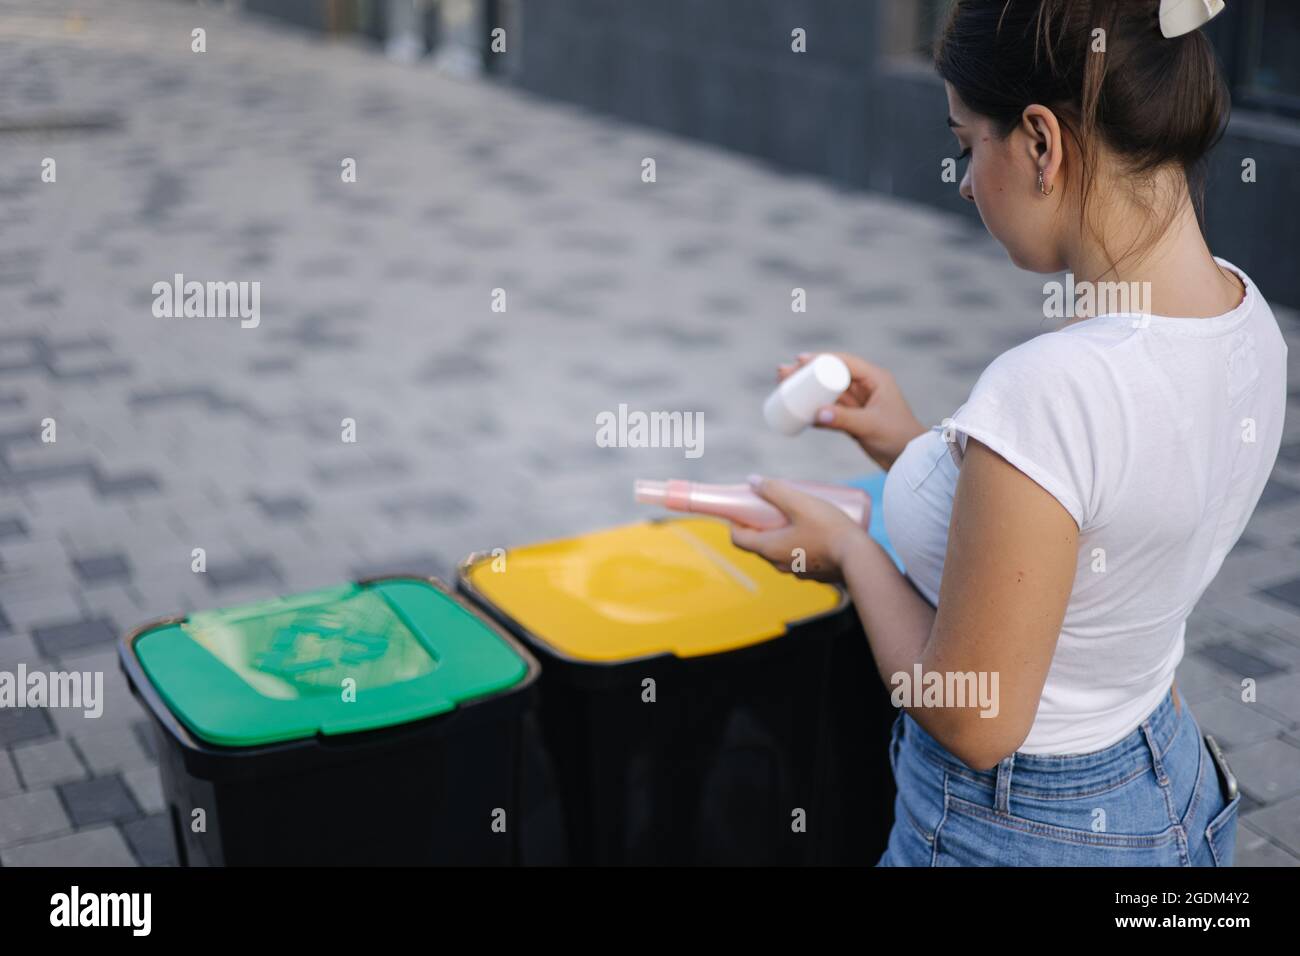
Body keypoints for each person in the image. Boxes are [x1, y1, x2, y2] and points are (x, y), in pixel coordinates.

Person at [731, 0, 1286, 866]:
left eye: (964, 145)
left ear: (1040, 142)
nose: (960, 179)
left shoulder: (1053, 389)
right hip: (1170, 787)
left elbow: (974, 717)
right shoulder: (1247, 320)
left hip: (1018, 826)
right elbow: (1105, 518)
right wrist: (915, 444)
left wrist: (851, 548)